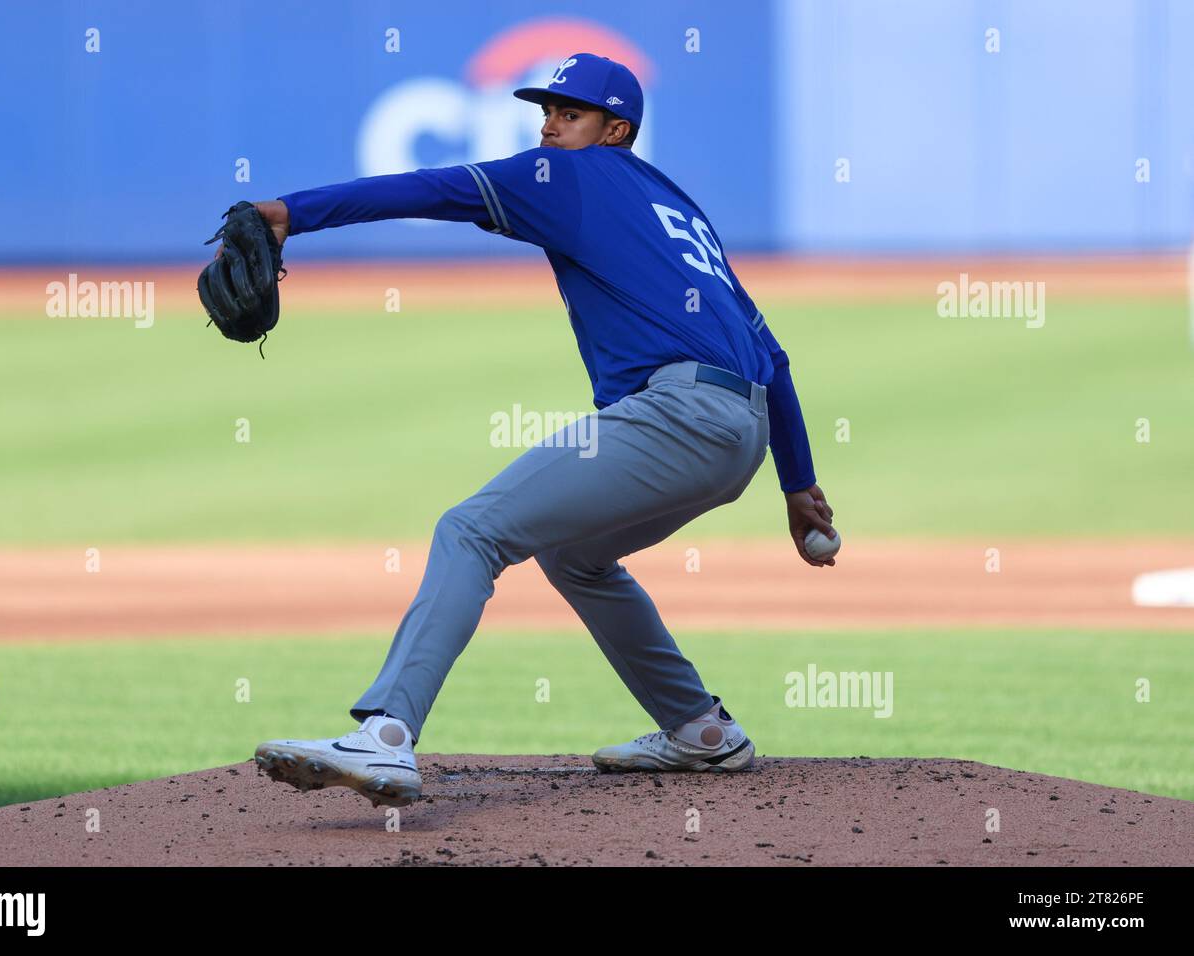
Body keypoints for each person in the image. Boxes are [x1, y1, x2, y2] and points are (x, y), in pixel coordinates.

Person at [250, 53, 836, 808]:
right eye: (547, 110)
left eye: (570, 113)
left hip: (680, 415)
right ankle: (699, 730)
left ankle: (387, 736)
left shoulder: (570, 175)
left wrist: (292, 213)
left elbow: (436, 188)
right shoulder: (676, 206)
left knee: (471, 530)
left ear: (614, 129)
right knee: (574, 556)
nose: (550, 126)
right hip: (739, 431)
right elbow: (774, 357)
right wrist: (798, 483)